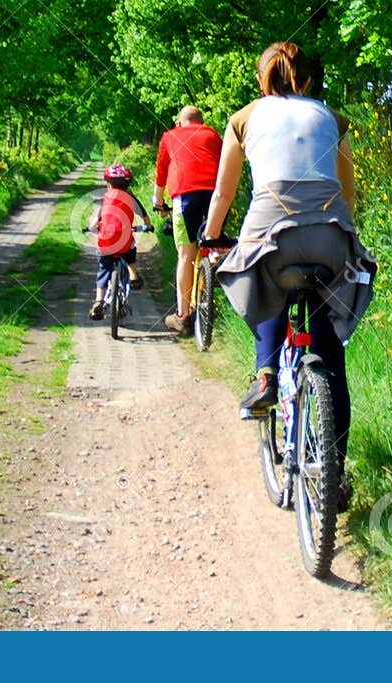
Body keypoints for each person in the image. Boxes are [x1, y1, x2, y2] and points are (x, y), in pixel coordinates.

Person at [201, 42, 375, 504]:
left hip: (271, 230)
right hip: (329, 234)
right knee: (330, 356)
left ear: (263, 78)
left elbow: (222, 195)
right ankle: (333, 476)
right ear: (308, 78)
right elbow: (349, 192)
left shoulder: (244, 118)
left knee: (256, 273)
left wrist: (211, 238)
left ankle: (264, 377)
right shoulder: (333, 119)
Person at [151, 105, 223, 336]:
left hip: (185, 196)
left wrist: (158, 202)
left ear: (179, 122)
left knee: (185, 255)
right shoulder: (212, 134)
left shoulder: (170, 136)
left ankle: (183, 316)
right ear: (201, 121)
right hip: (216, 196)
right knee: (213, 245)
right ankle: (212, 293)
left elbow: (161, 172)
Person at [88, 164, 153, 321]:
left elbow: (94, 223)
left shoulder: (106, 198)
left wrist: (91, 228)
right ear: (128, 184)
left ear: (109, 184)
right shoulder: (130, 198)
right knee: (130, 250)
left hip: (106, 242)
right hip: (124, 240)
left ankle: (99, 300)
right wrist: (148, 226)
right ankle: (133, 274)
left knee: (104, 268)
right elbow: (144, 215)